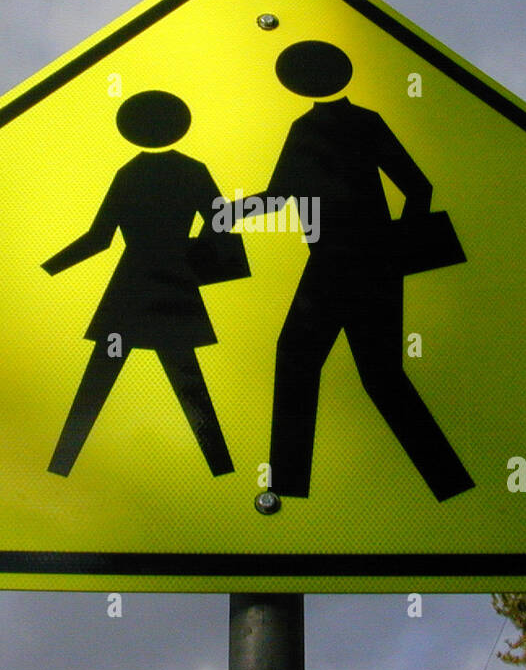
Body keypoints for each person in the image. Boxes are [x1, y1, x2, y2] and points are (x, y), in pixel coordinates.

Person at [253, 40, 474, 502]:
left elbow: (417, 186)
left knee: (309, 359)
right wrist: (226, 213)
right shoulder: (324, 125)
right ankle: (449, 483)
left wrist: (397, 248)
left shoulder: (347, 124)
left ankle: (288, 489)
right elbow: (281, 195)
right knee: (373, 373)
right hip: (353, 263)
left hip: (344, 263)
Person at [42, 90, 241, 478]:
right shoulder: (192, 170)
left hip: (131, 286)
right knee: (188, 379)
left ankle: (61, 466)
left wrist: (52, 266)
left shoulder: (130, 173)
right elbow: (222, 220)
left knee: (98, 378)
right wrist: (201, 262)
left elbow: (100, 238)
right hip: (173, 285)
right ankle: (222, 469)